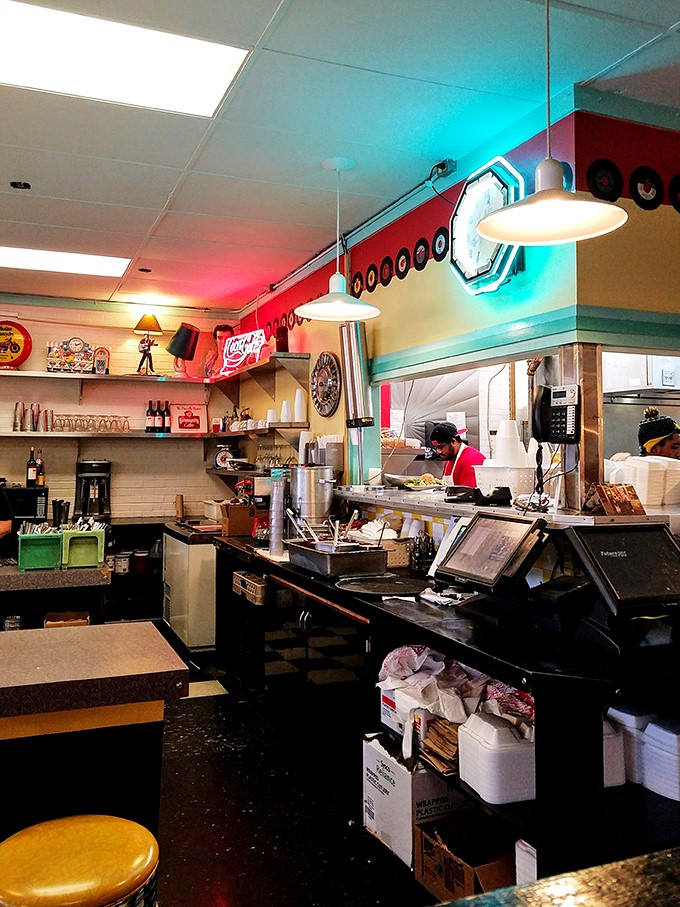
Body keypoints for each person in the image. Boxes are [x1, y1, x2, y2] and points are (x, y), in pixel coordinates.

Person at [429, 422, 486, 487]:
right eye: (436, 448)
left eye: (441, 447)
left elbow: (469, 494)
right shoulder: (450, 459)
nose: (438, 452)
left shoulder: (470, 459)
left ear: (453, 441)